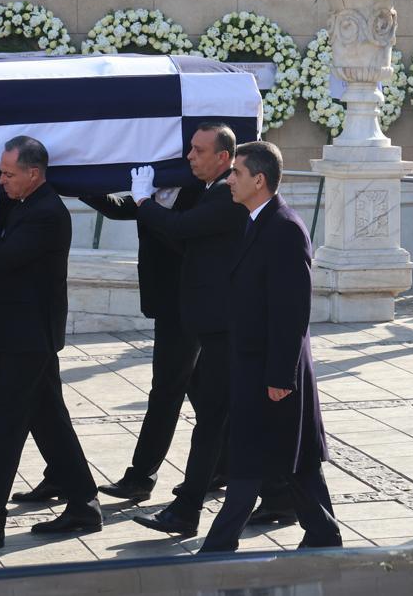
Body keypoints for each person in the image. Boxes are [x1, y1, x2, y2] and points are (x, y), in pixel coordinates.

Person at [0, 136, 101, 551]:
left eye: (8, 174)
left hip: (28, 338)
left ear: (34, 173)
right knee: (49, 420)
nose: (1, 180)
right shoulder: (20, 200)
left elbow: (4, 257)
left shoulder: (47, 212)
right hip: (5, 330)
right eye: (0, 172)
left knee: (5, 427)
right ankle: (83, 503)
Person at [198, 141, 342, 552]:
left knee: (256, 460)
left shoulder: (284, 229)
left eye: (236, 173)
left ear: (259, 180)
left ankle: (218, 547)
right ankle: (323, 534)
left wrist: (280, 375)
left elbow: (292, 312)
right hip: (253, 365)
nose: (229, 180)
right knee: (294, 460)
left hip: (273, 373)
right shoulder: (255, 220)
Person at [131, 123, 248, 537]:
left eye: (198, 150)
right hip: (209, 324)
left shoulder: (224, 197)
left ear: (223, 157)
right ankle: (199, 501)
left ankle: (195, 506)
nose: (188, 156)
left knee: (217, 418)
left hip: (220, 327)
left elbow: (182, 230)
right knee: (216, 416)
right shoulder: (217, 194)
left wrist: (145, 200)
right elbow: (187, 241)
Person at [81, 182, 204, 503]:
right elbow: (119, 208)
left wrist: (148, 204)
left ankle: (141, 475)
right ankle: (225, 465)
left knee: (166, 390)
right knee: (202, 393)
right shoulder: (160, 188)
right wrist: (83, 185)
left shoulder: (204, 190)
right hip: (169, 302)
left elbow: (183, 238)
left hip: (188, 305)